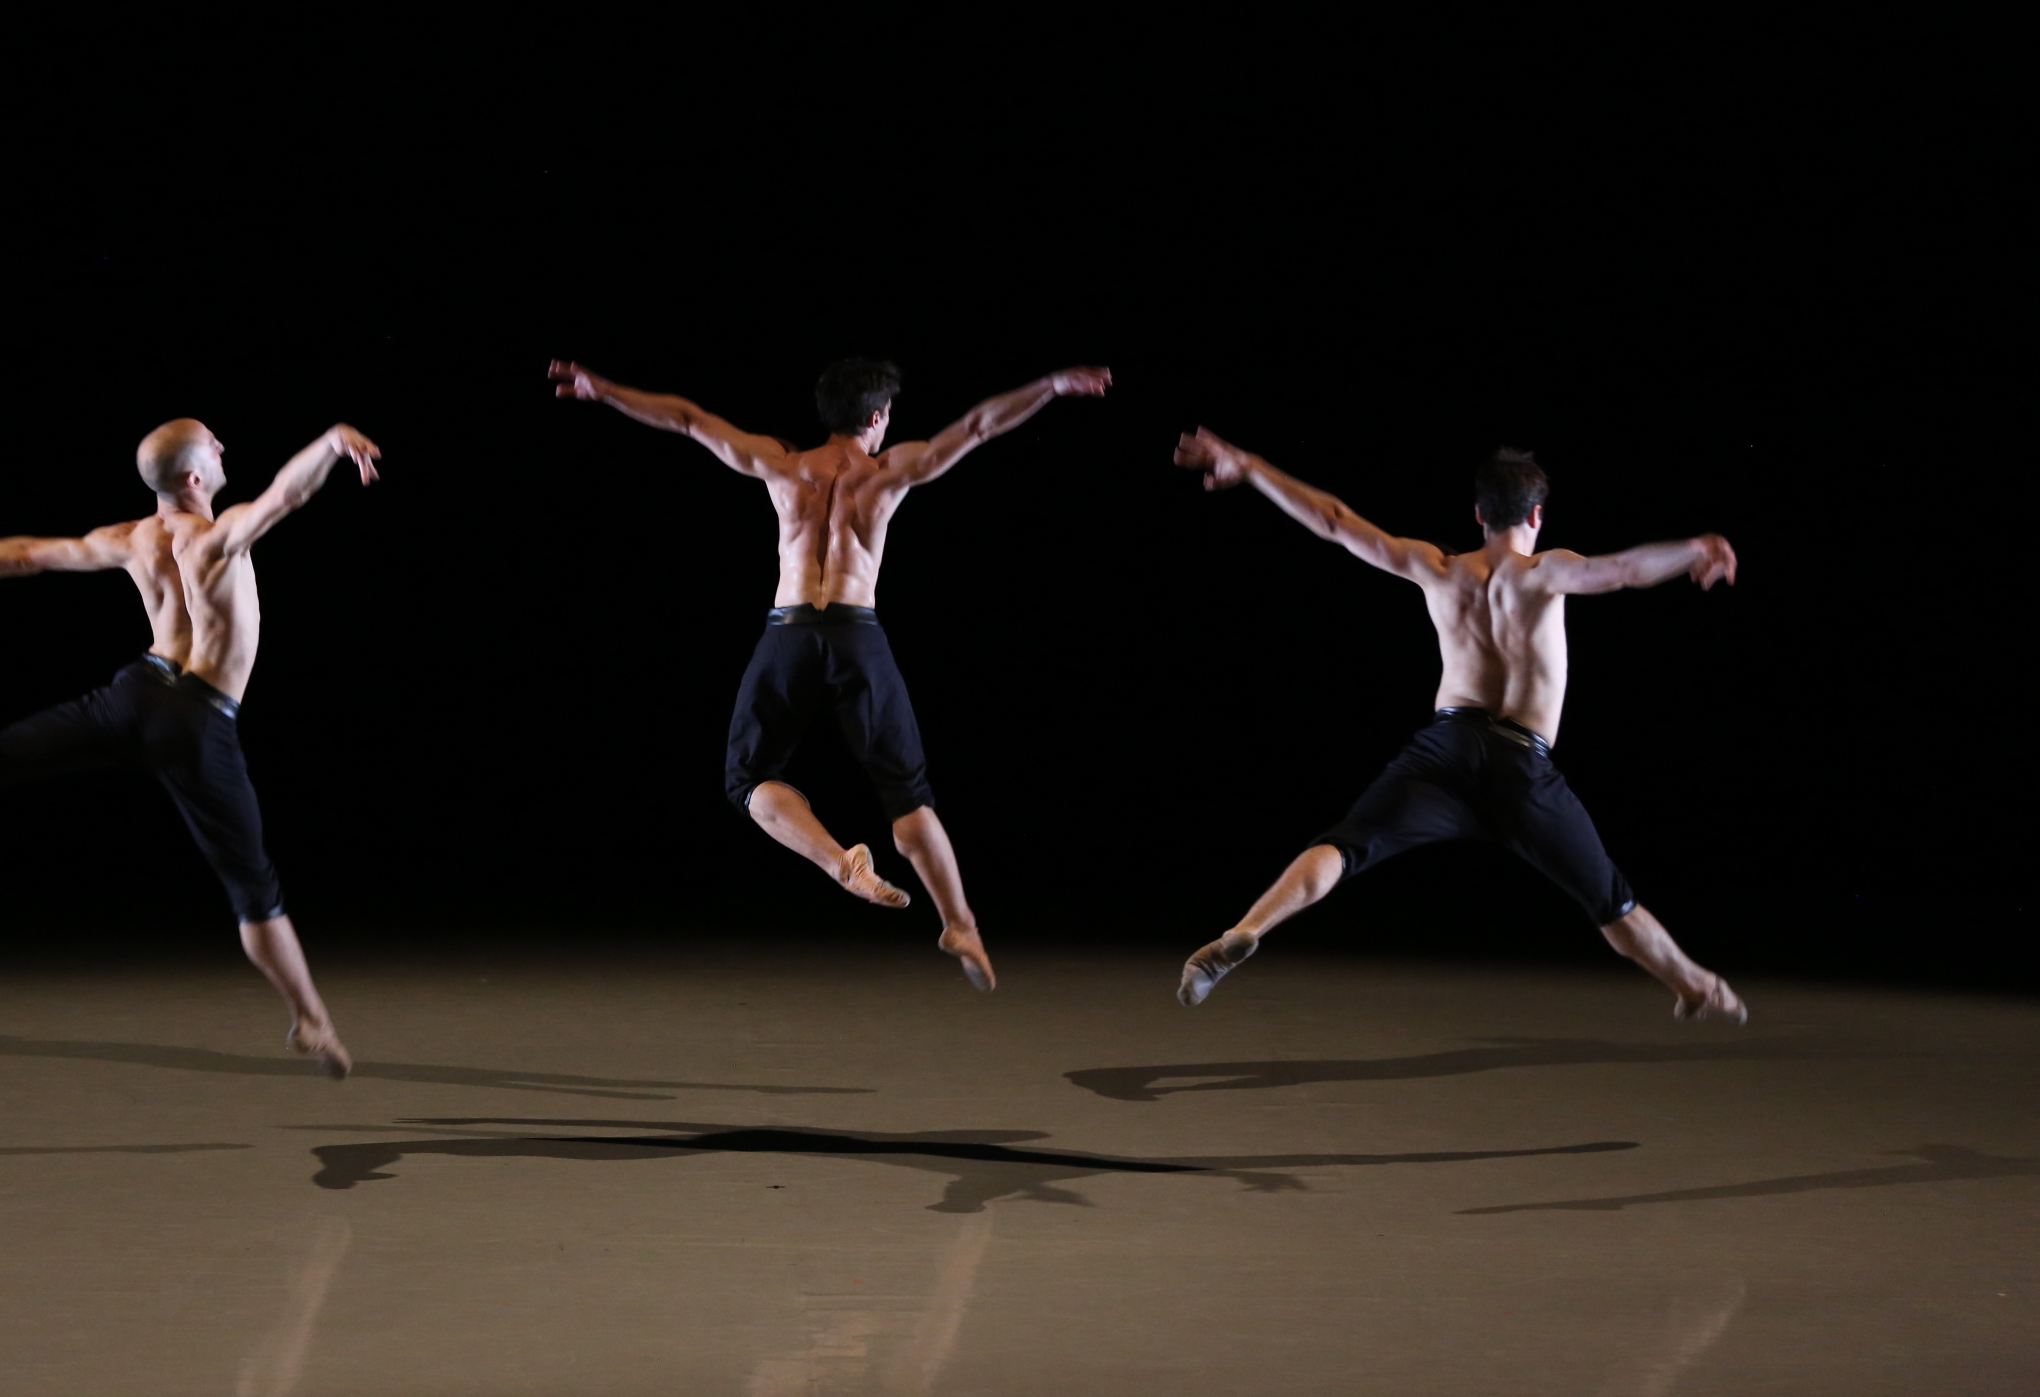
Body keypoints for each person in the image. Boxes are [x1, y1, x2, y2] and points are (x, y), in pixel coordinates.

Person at [551, 357, 1112, 991]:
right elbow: (980, 426)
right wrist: (1049, 386)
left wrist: (604, 390)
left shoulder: (783, 465)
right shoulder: (888, 469)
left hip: (788, 634)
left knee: (748, 780)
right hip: (857, 635)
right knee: (908, 793)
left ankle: (841, 863)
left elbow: (686, 419)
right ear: (877, 419)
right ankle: (960, 924)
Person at [0, 419, 380, 1076]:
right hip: (198, 719)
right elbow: (284, 497)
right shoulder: (219, 535)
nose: (222, 451)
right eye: (214, 447)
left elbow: (26, 553)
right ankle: (310, 1020)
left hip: (135, 691)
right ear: (194, 478)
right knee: (254, 888)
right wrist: (330, 445)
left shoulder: (130, 538)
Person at [1170, 431, 1746, 1022]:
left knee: (1343, 846)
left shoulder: (1437, 566)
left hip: (1443, 749)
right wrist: (1694, 548)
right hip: (1521, 764)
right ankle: (1696, 985)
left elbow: (1336, 521)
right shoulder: (1546, 572)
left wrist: (1254, 466)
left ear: (1478, 515)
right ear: (1537, 514)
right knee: (1608, 901)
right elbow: (1624, 570)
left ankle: (1247, 928)